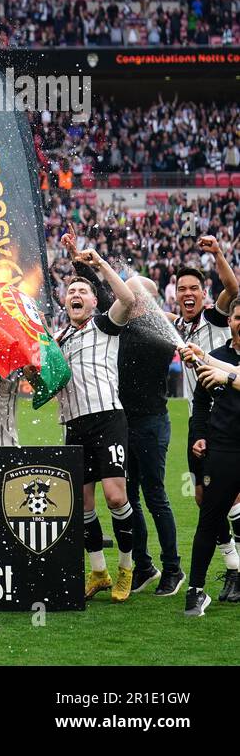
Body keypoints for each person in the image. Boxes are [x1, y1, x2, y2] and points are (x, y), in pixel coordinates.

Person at [54, 248, 138, 602]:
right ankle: (99, 571)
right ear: (65, 300)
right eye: (71, 291)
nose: (76, 294)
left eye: (82, 291)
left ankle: (126, 568)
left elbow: (129, 298)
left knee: (115, 495)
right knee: (84, 505)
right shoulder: (57, 340)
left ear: (93, 301)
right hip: (74, 424)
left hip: (108, 418)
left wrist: (99, 264)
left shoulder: (105, 325)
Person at [171, 242, 240, 580]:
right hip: (196, 422)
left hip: (227, 422)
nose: (188, 293)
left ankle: (235, 571)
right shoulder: (177, 328)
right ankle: (232, 563)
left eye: (194, 288)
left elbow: (233, 289)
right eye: (182, 288)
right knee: (203, 499)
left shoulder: (214, 318)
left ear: (203, 294)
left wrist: (216, 255)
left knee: (231, 499)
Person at [181, 305, 240, 614]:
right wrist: (203, 356)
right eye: (238, 317)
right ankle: (195, 590)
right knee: (209, 518)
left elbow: (232, 376)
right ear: (229, 321)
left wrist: (224, 374)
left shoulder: (225, 367)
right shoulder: (219, 354)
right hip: (225, 448)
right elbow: (201, 405)